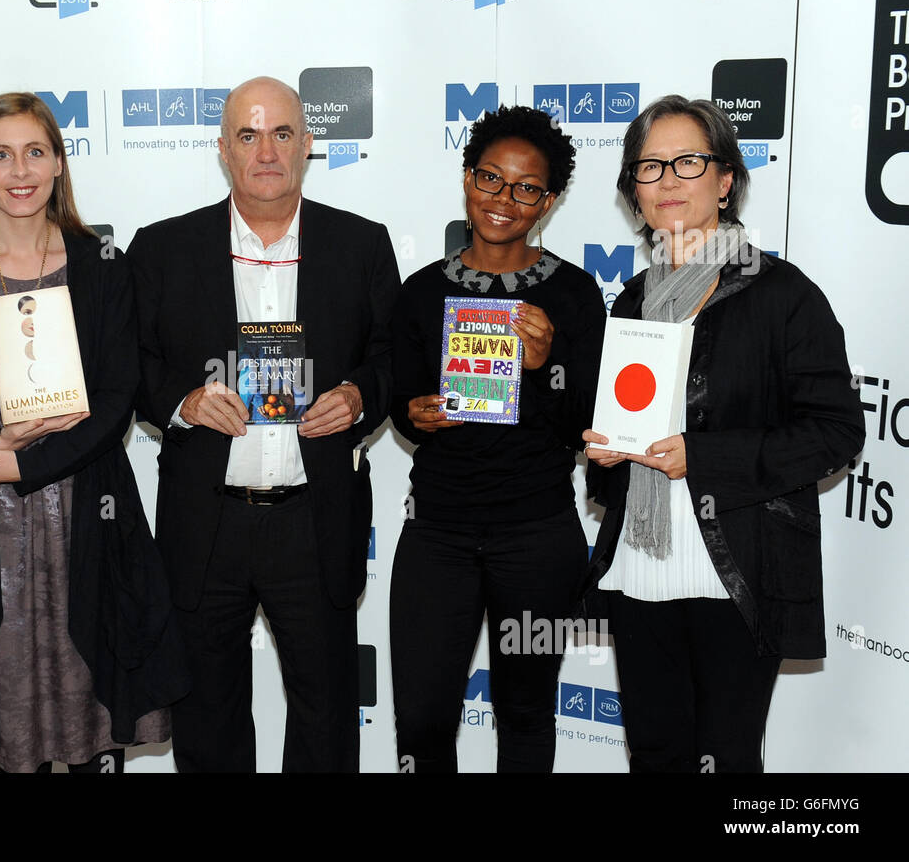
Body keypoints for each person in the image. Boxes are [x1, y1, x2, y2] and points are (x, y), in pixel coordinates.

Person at [582, 95, 865, 772]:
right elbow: (613, 452)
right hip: (640, 571)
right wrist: (604, 455)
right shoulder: (632, 299)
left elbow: (835, 431)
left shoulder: (784, 294)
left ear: (725, 179)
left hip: (735, 573)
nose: (670, 180)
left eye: (688, 161)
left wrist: (701, 457)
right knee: (653, 756)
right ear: (633, 191)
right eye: (650, 166)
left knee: (727, 762)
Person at [0, 92, 188, 774]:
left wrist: (25, 466)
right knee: (6, 723)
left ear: (60, 162)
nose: (20, 170)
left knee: (94, 718)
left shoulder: (102, 266)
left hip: (90, 521)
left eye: (36, 151)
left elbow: (118, 398)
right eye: (1, 154)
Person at [128, 75, 399, 773]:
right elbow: (129, 363)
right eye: (248, 135)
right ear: (223, 150)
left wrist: (361, 394)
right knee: (208, 720)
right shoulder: (161, 248)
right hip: (204, 520)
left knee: (326, 718)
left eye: (283, 133)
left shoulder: (362, 244)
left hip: (314, 519)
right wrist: (183, 401)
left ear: (308, 145)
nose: (267, 150)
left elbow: (395, 354)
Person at [389, 105, 605, 772]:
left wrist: (545, 366)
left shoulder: (575, 293)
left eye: (525, 187)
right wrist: (415, 414)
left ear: (551, 198)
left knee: (525, 713)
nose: (503, 200)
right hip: (438, 532)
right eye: (489, 178)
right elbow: (402, 406)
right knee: (422, 718)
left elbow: (586, 427)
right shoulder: (422, 291)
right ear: (467, 176)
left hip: (537, 533)